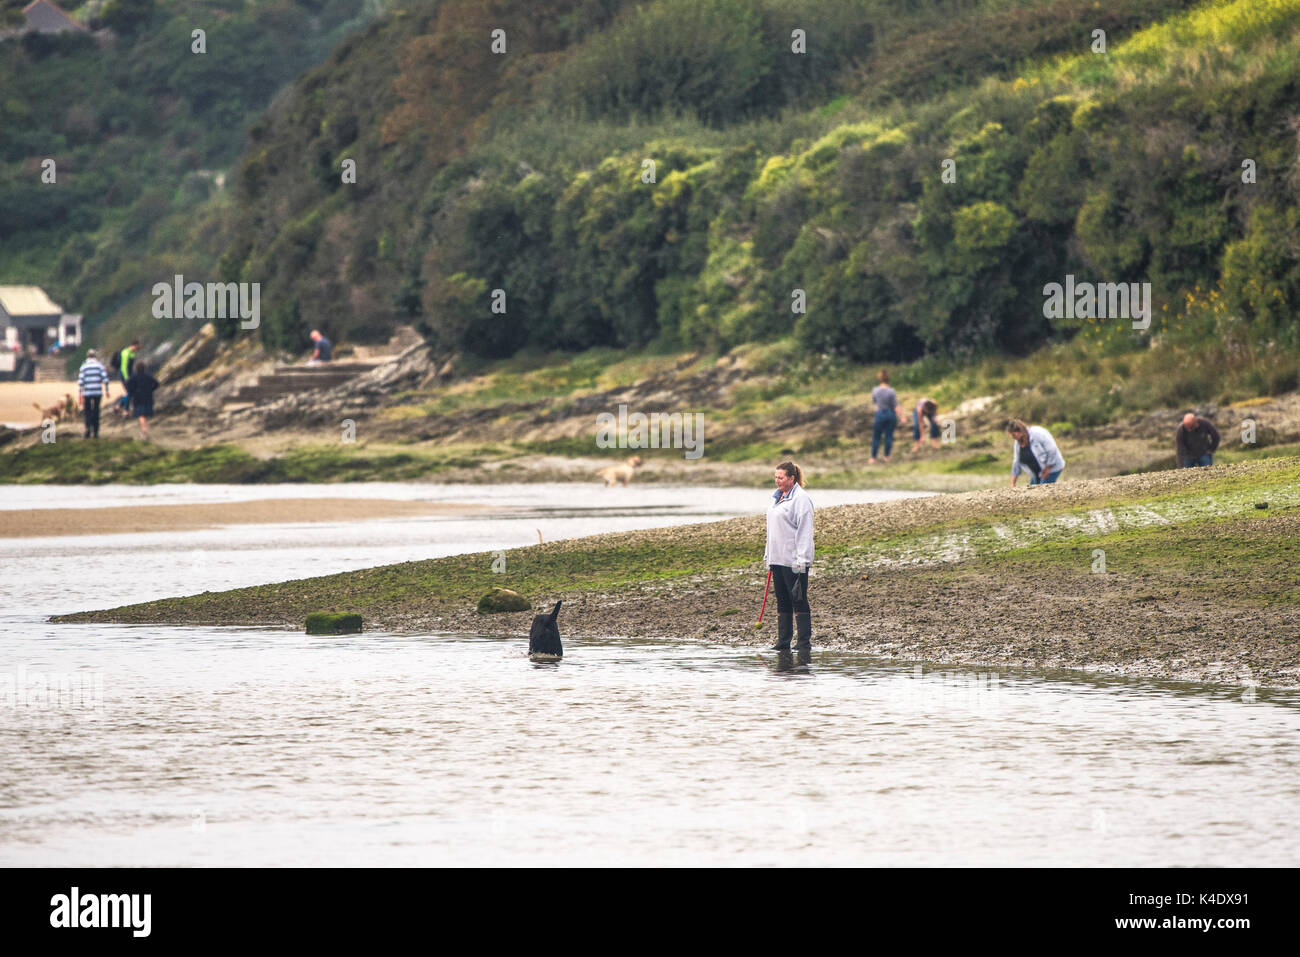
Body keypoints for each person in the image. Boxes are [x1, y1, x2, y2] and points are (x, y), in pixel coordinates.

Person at [764, 460, 814, 652]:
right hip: (777, 559)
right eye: (775, 477)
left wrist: (802, 561)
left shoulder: (801, 499)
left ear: (792, 478)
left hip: (794, 561)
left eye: (781, 477)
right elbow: (772, 530)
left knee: (798, 599)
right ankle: (783, 642)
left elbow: (804, 531)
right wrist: (768, 557)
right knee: (782, 599)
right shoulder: (777, 498)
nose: (777, 481)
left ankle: (803, 643)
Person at [1007, 418, 1066, 486]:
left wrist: (1048, 469)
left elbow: (1052, 450)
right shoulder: (1018, 442)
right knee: (1031, 491)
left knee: (1043, 490)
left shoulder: (1037, 434)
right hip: (1037, 472)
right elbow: (1016, 461)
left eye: (1014, 435)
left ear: (1020, 431)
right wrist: (1013, 483)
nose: (1013, 437)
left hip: (1052, 468)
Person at [77, 348, 111, 439]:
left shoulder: (84, 366)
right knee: (96, 410)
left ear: (87, 356)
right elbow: (105, 380)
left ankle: (88, 428)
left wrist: (80, 395)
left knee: (87, 411)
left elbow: (81, 382)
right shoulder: (99, 366)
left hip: (87, 392)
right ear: (95, 356)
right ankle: (95, 431)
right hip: (97, 392)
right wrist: (107, 390)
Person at [869, 368, 899, 463]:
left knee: (877, 436)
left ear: (879, 379)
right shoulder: (891, 391)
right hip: (890, 414)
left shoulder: (875, 390)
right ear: (888, 379)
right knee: (889, 436)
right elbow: (895, 406)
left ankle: (873, 457)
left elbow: (874, 401)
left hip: (880, 413)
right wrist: (902, 417)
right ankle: (886, 456)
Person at [126, 359, 159, 439]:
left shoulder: (134, 377)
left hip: (138, 398)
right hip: (148, 397)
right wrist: (151, 389)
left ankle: (144, 429)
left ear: (136, 368)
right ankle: (145, 428)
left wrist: (133, 392)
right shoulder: (148, 376)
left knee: (141, 415)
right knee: (146, 414)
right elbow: (156, 383)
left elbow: (128, 385)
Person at [115, 339, 140, 416]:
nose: (138, 348)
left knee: (130, 392)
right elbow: (124, 367)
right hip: (124, 374)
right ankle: (125, 410)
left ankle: (119, 407)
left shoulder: (132, 353)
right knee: (129, 392)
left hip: (129, 375)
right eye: (137, 346)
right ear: (134, 345)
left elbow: (131, 367)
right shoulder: (126, 352)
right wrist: (126, 378)